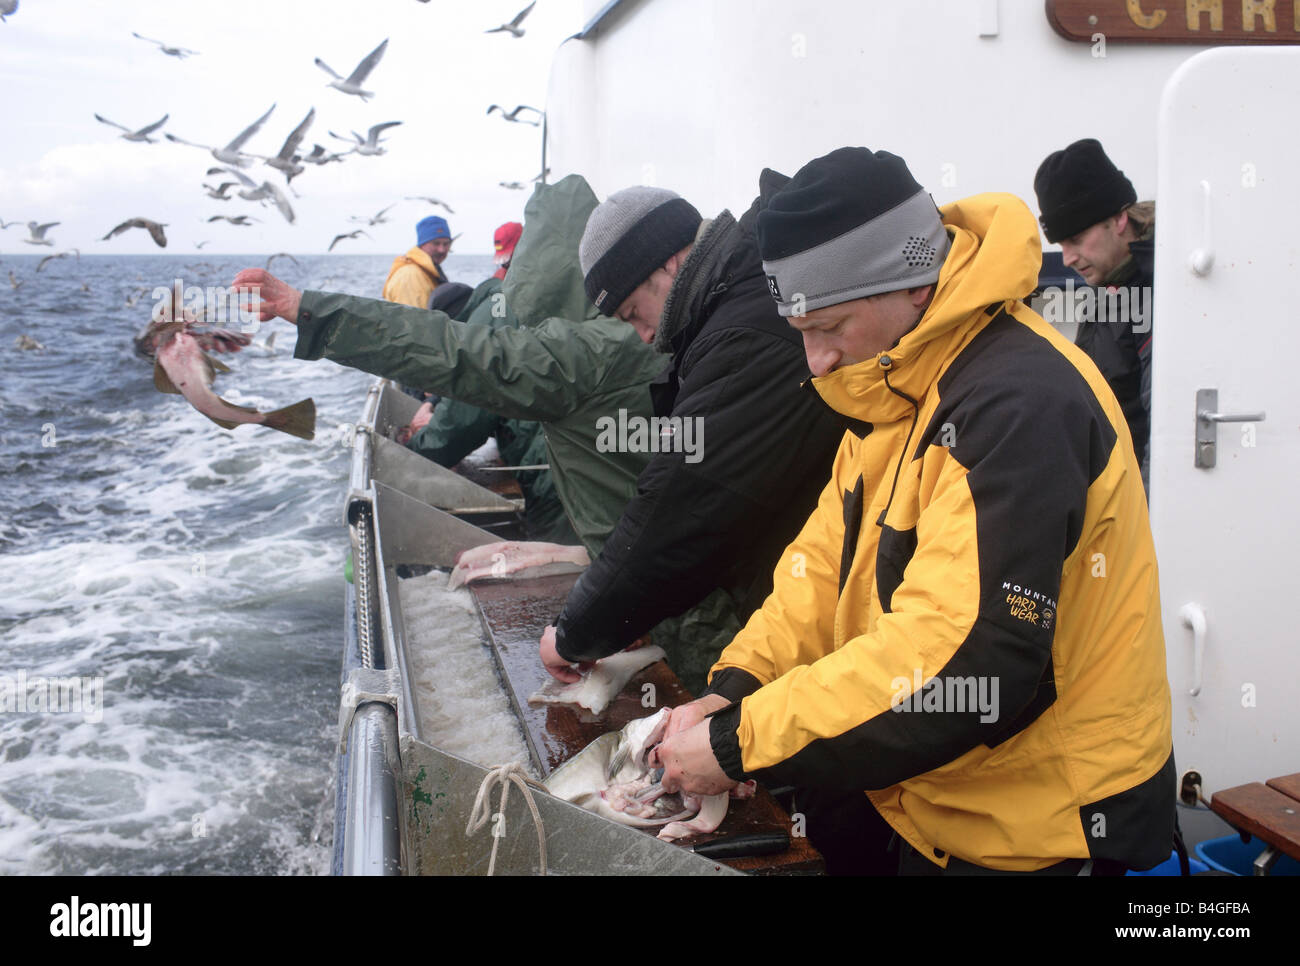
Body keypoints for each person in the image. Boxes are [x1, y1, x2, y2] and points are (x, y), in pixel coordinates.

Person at [650, 146, 1174, 875]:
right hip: (950, 800)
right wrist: (733, 690)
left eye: (829, 326)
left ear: (913, 287)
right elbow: (818, 572)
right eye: (800, 332)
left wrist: (744, 743)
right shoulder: (892, 385)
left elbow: (965, 654)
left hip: (1047, 822)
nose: (817, 361)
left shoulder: (1015, 401)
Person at [233, 176, 666, 558]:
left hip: (616, 546)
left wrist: (309, 310)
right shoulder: (663, 327)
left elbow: (458, 356)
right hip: (661, 540)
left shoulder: (585, 351)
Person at [538, 181, 849, 692]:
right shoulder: (741, 297)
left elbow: (683, 507)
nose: (642, 335)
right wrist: (631, 613)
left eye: (633, 313)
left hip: (835, 612)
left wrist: (576, 633)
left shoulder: (743, 335)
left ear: (668, 264)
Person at [401, 219, 578, 544]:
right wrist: (433, 402)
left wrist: (409, 459)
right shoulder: (518, 303)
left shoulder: (492, 318)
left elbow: (465, 414)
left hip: (555, 471)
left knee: (555, 561)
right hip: (580, 454)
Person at [1034, 138, 1153, 490]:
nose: (1067, 258)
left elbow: (1164, 427)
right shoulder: (1110, 285)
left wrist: (1148, 520)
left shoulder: (1156, 289)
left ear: (1118, 218)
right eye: (1061, 246)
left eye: (1076, 239)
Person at [381, 214, 451, 309]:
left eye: (446, 244)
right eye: (436, 243)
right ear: (422, 244)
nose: (441, 249)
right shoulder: (410, 275)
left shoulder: (428, 272)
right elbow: (412, 321)